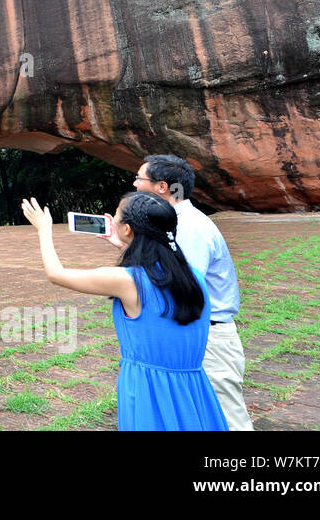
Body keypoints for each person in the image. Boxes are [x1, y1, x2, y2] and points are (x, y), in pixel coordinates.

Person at [21, 191, 227, 430]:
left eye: (116, 216)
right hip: (194, 391)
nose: (112, 220)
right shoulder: (194, 276)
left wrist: (43, 230)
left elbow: (56, 274)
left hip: (148, 391)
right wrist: (127, 244)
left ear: (128, 228)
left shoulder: (128, 281)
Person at [131, 154, 253, 431]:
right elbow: (168, 273)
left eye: (140, 179)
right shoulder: (176, 222)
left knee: (226, 416)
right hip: (196, 330)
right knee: (196, 412)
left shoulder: (190, 228)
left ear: (162, 187)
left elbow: (181, 286)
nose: (136, 185)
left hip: (208, 336)